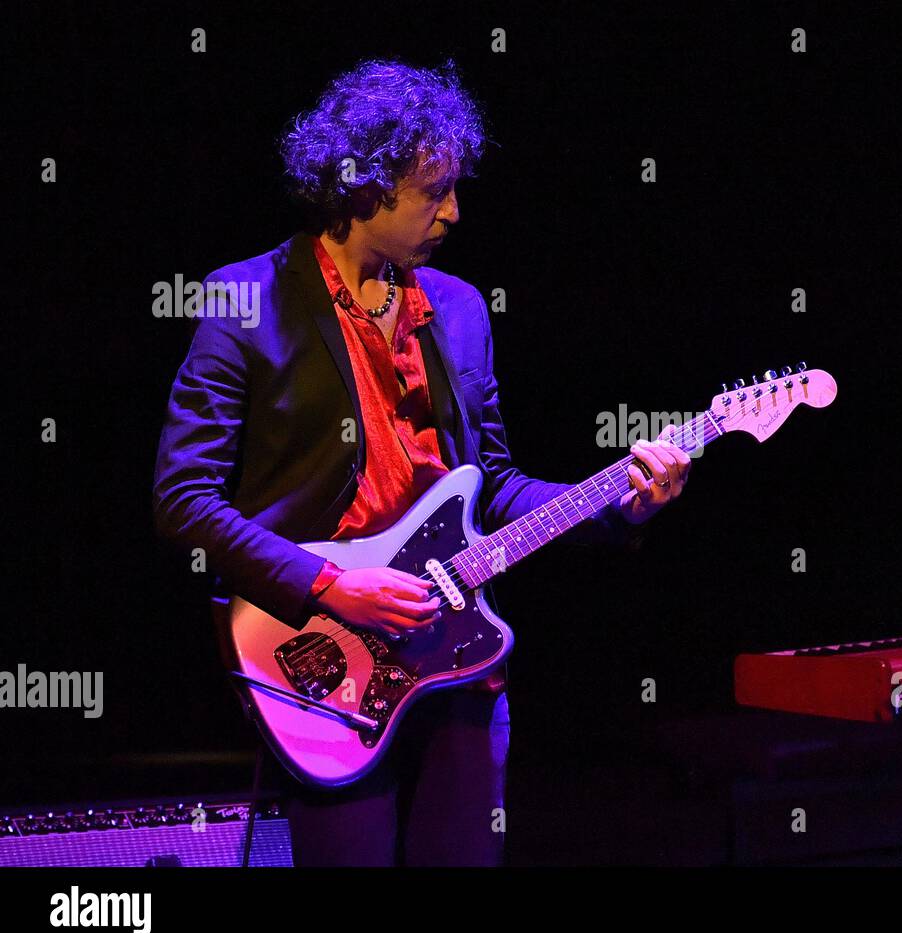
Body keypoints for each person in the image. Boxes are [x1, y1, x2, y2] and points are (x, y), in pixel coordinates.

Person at [152, 59, 690, 865]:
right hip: (325, 658)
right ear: (364, 185)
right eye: (434, 192)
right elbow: (184, 500)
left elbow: (495, 484)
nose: (454, 211)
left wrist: (622, 501)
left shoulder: (461, 309)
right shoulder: (245, 301)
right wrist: (336, 585)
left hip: (458, 657)